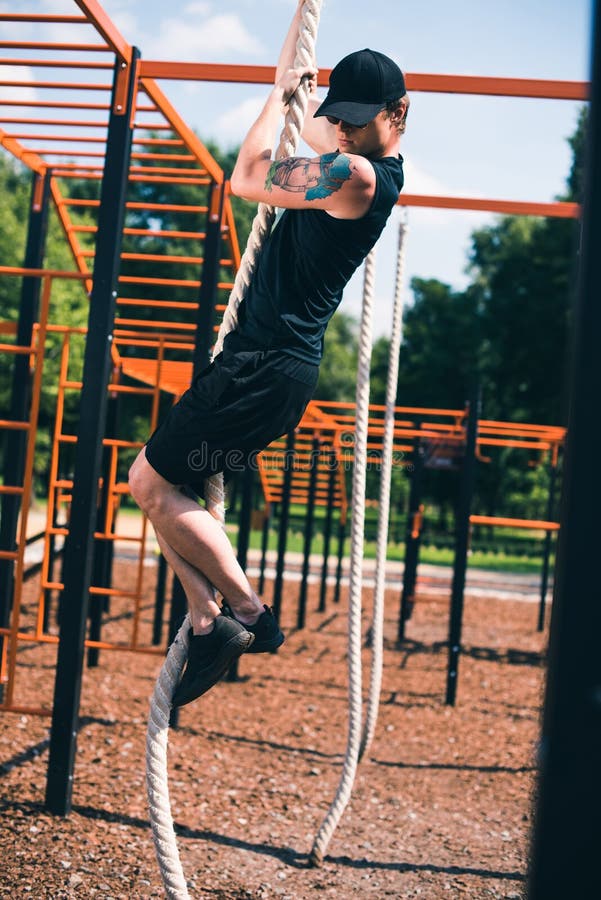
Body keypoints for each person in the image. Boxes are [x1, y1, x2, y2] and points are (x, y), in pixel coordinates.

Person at [128, 0, 409, 707]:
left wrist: (275, 99)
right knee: (171, 493)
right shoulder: (351, 147)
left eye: (355, 118)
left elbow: (247, 176)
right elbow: (299, 78)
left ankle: (248, 613)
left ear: (397, 113)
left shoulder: (358, 176)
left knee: (151, 485)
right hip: (272, 371)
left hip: (259, 368)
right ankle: (205, 618)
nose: (340, 125)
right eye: (337, 115)